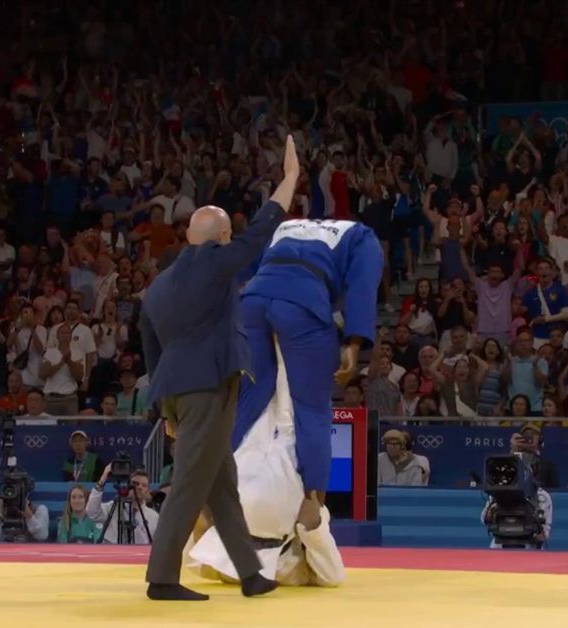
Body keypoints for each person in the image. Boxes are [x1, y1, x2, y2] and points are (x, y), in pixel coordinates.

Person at [136, 136, 300, 601]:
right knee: (191, 481)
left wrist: (165, 409)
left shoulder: (158, 286)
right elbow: (262, 230)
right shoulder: (216, 262)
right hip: (209, 386)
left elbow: (151, 351)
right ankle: (162, 578)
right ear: (221, 237)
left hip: (178, 390)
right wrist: (288, 180)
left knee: (220, 484)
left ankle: (250, 573)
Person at [232, 180, 384, 504]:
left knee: (249, 397)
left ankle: (212, 488)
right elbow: (362, 286)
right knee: (312, 408)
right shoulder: (362, 236)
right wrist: (354, 344)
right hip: (303, 303)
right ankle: (313, 505)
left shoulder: (286, 226)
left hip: (254, 299)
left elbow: (240, 261)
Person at [188, 345, 346, 587]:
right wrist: (312, 529)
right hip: (276, 500)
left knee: (265, 414)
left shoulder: (218, 568)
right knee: (280, 418)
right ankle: (280, 344)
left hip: (246, 490)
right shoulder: (291, 572)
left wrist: (206, 507)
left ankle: (269, 340)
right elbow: (333, 577)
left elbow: (201, 526)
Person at [86, 463, 160, 545]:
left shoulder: (154, 517)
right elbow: (92, 513)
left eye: (144, 485)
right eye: (135, 483)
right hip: (113, 555)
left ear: (148, 491)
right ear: (127, 485)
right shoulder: (112, 507)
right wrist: (102, 481)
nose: (139, 487)